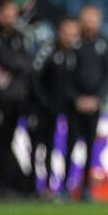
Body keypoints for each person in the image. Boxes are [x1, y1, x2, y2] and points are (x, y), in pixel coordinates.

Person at [0, 0, 33, 196]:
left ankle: (4, 184)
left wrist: (18, 63)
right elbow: (13, 62)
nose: (10, 18)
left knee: (6, 141)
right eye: (6, 13)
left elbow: (26, 63)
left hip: (13, 98)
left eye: (13, 14)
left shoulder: (17, 37)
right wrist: (18, 63)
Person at [69, 4, 108, 201]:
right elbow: (66, 76)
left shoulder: (104, 46)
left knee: (89, 145)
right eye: (86, 19)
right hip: (74, 104)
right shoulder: (73, 45)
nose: (89, 23)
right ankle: (63, 185)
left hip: (94, 104)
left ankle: (85, 187)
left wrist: (96, 98)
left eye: (93, 20)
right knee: (70, 144)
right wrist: (76, 98)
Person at [35, 17, 79, 197]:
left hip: (72, 106)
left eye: (72, 34)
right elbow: (36, 76)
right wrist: (43, 100)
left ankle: (68, 184)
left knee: (71, 144)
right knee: (46, 144)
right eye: (66, 33)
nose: (69, 37)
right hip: (49, 106)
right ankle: (44, 184)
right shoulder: (48, 51)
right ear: (59, 33)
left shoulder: (78, 54)